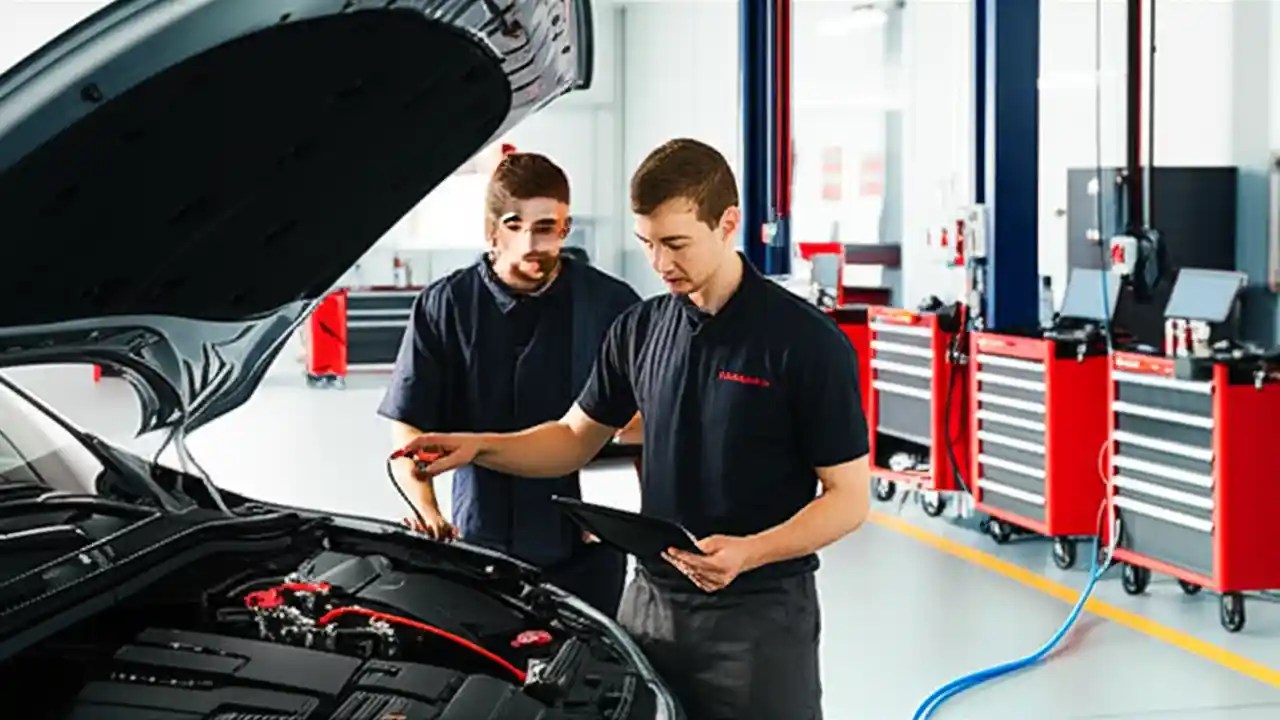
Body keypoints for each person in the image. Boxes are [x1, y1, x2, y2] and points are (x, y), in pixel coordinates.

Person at [393, 138, 871, 720]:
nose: (661, 264)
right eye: (647, 244)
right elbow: (572, 438)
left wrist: (750, 552)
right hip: (648, 602)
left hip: (756, 611)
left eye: (675, 243)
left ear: (727, 224)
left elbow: (848, 500)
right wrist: (478, 446)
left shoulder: (805, 343)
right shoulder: (639, 329)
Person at [377, 151, 642, 616]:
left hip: (586, 549)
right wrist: (427, 509)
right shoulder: (445, 307)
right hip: (481, 540)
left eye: (547, 227)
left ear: (565, 227)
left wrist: (615, 505)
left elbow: (640, 419)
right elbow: (408, 426)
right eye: (517, 226)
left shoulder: (612, 305)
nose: (532, 243)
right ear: (491, 229)